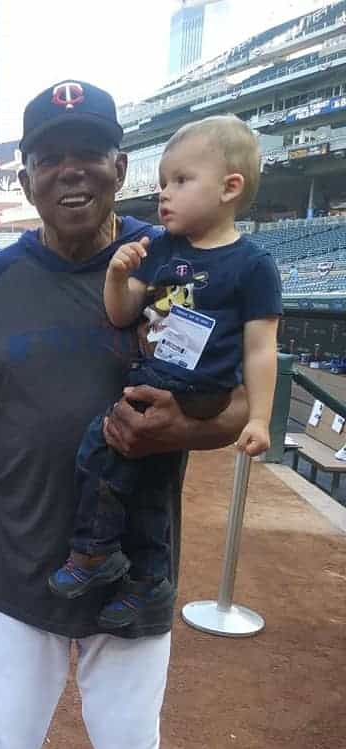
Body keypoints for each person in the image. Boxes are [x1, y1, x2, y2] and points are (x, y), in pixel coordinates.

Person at [0, 80, 249, 749]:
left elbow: (233, 406)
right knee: (4, 743)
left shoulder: (182, 268)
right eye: (49, 155)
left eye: (90, 152)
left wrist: (180, 429)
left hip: (135, 566)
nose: (70, 170)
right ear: (28, 175)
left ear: (122, 167)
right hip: (20, 562)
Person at [49, 115, 281, 628]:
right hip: (161, 375)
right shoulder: (163, 249)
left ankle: (94, 550)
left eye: (180, 181)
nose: (164, 195)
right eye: (162, 184)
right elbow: (121, 312)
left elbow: (262, 349)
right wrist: (117, 275)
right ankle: (149, 580)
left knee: (98, 446)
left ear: (230, 187)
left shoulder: (252, 264)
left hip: (196, 386)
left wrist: (259, 419)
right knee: (149, 484)